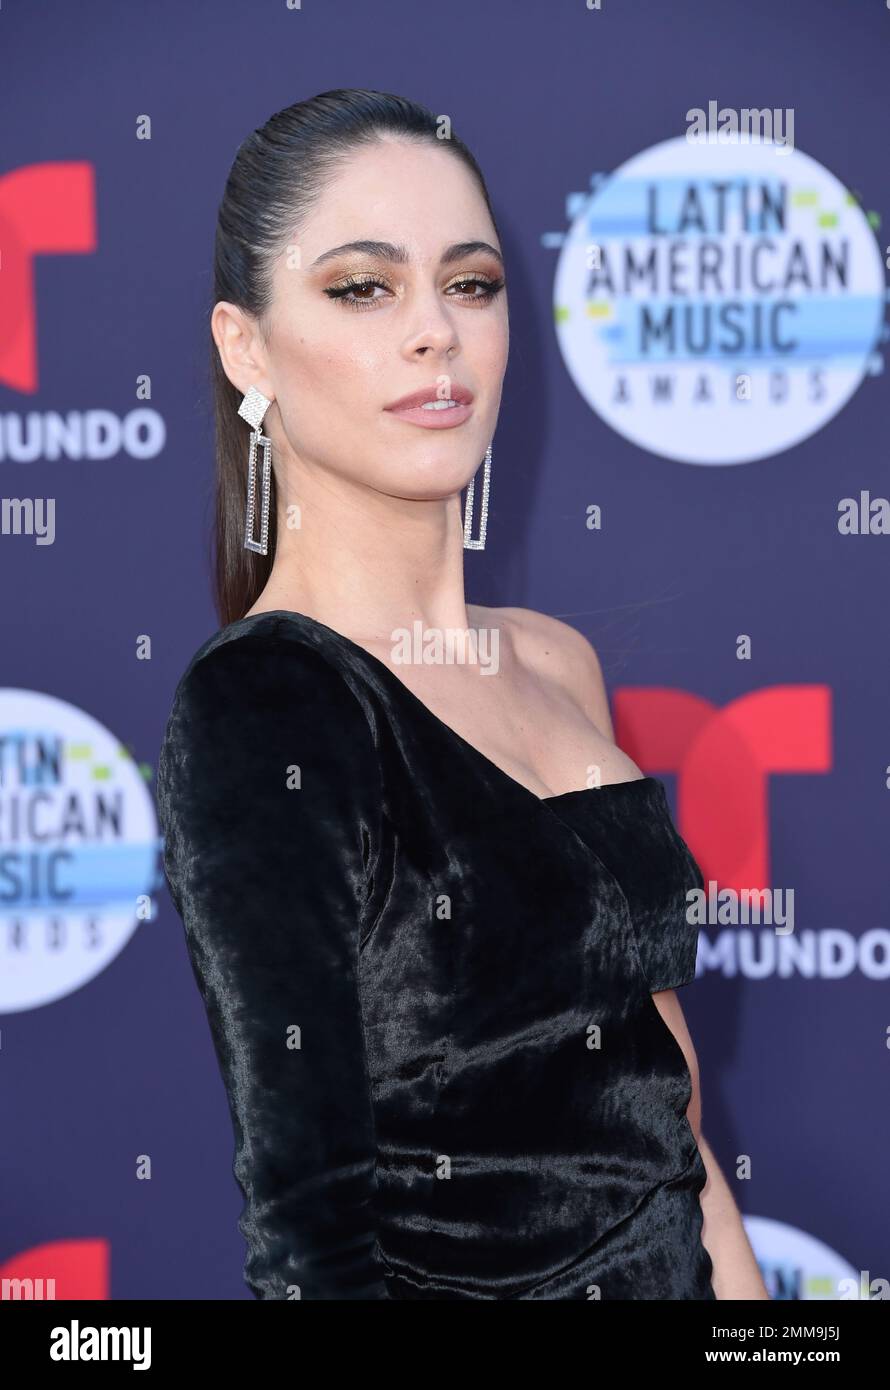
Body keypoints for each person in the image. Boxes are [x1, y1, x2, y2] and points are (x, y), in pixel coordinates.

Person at [156, 88, 768, 1301]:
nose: (433, 330)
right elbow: (308, 1247)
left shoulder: (552, 660)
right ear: (245, 347)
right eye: (361, 288)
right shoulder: (268, 707)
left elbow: (675, 1137)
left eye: (471, 283)